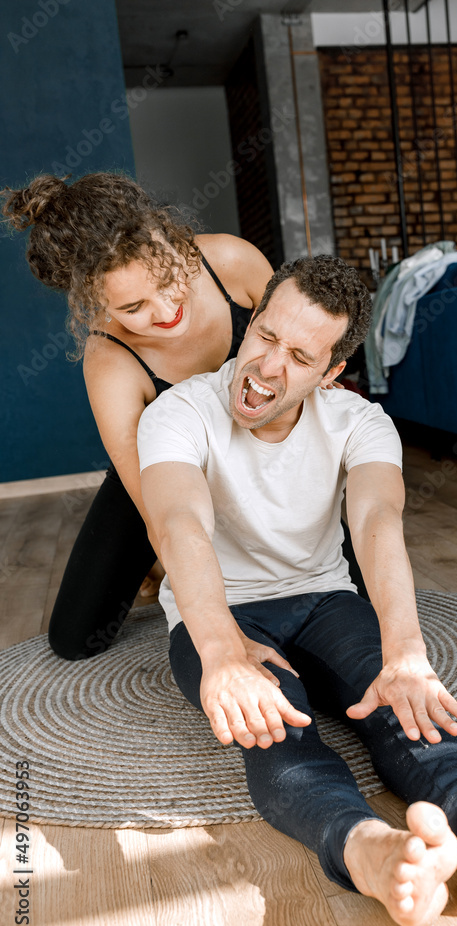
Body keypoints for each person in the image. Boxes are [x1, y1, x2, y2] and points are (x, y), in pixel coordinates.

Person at [136, 254, 457, 926]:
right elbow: (177, 523)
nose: (267, 366)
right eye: (264, 337)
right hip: (223, 614)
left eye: (299, 356)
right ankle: (372, 853)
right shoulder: (178, 412)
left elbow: (376, 522)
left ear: (331, 374)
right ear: (248, 323)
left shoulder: (359, 422)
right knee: (274, 730)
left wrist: (405, 653)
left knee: (403, 703)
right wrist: (222, 649)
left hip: (321, 598)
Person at [1, 172, 360, 661]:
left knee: (359, 596)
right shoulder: (109, 362)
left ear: (170, 239)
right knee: (73, 638)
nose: (168, 308)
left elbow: (303, 338)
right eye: (134, 306)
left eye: (169, 280)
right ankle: (153, 569)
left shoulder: (232, 262)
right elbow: (157, 511)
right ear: (93, 305)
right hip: (172, 468)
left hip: (269, 447)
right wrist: (220, 632)